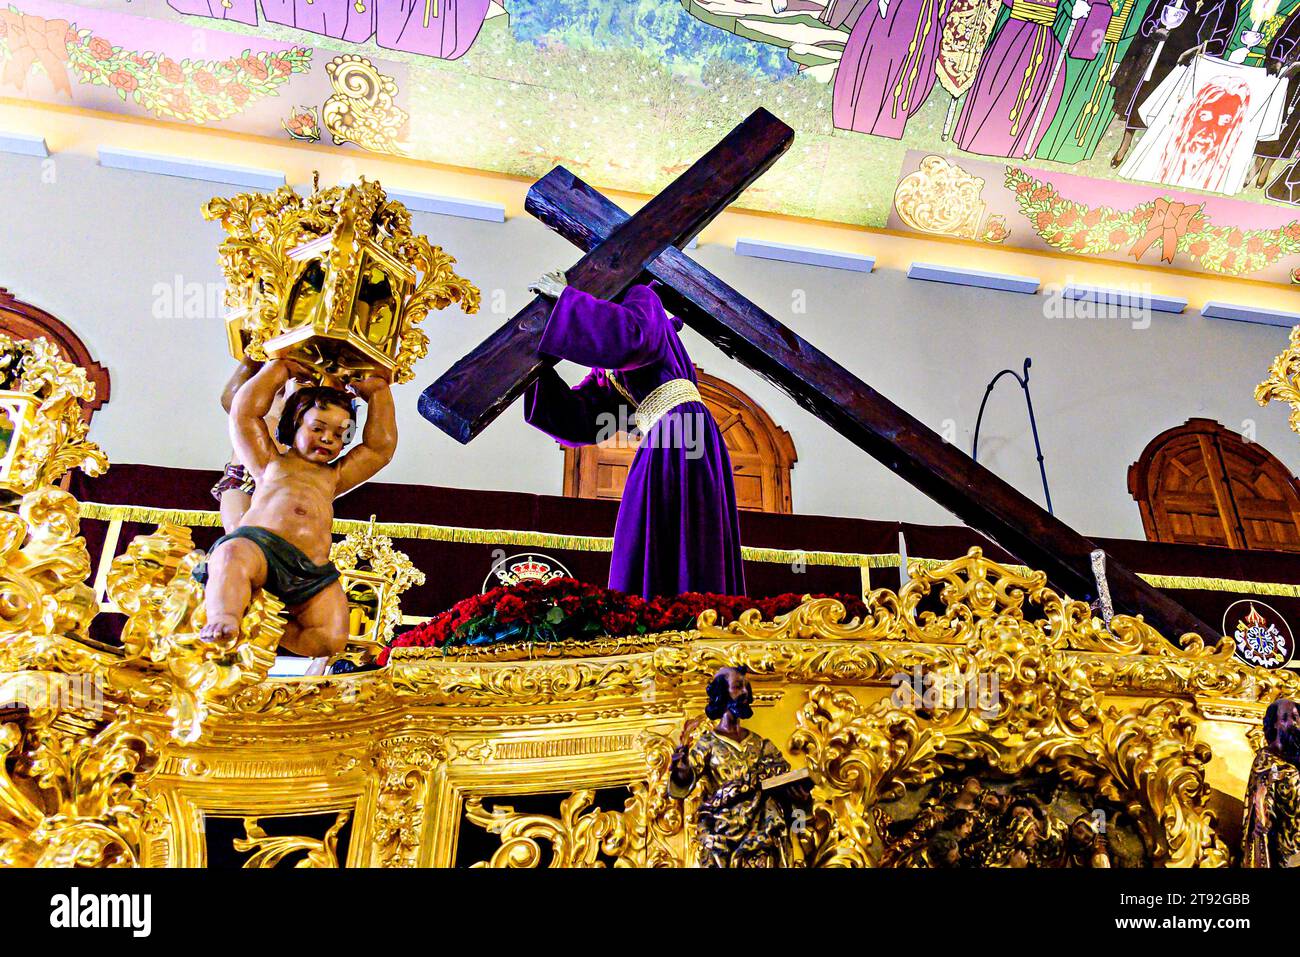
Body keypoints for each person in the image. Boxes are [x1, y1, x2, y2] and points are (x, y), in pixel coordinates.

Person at [524, 271, 744, 599]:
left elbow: (634, 339)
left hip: (683, 429)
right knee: (645, 530)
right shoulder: (612, 374)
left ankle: (690, 611)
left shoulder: (641, 296)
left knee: (683, 528)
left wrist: (566, 297)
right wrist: (530, 369)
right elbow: (580, 420)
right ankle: (660, 611)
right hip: (661, 436)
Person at [196, 359, 395, 660]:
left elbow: (379, 449)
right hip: (261, 549)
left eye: (340, 434)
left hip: (310, 570)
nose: (329, 438)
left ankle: (261, 620)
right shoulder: (269, 463)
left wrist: (379, 393)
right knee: (231, 553)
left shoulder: (334, 476)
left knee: (330, 640)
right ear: (294, 424)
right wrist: (279, 368)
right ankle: (225, 616)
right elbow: (244, 414)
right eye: (318, 428)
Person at [668, 666, 811, 867]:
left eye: (746, 687)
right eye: (738, 687)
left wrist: (799, 798)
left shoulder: (761, 745)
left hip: (763, 834)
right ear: (722, 694)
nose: (745, 692)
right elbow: (682, 784)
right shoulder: (707, 744)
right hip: (722, 834)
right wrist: (682, 770)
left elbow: (785, 784)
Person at [213, 358, 304, 534]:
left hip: (283, 480)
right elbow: (230, 400)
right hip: (244, 473)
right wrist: (253, 354)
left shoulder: (309, 397)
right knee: (237, 533)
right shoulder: (263, 390)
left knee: (270, 543)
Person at [1243, 698, 1300, 867]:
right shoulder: (1265, 761)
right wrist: (1262, 816)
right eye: (1285, 718)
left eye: (1296, 717)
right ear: (1274, 724)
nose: (1294, 723)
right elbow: (1261, 801)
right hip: (1287, 850)